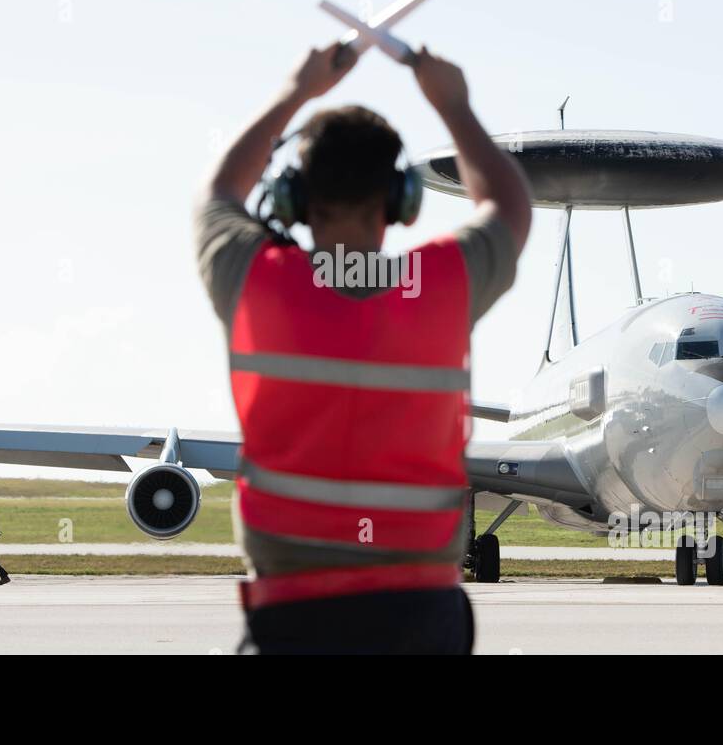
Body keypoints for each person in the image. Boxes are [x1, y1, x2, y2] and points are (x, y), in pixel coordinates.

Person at [195, 40, 531, 654]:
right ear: (403, 202)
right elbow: (508, 206)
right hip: (420, 612)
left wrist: (295, 92)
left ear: (295, 200)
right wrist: (454, 106)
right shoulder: (442, 284)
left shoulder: (253, 279)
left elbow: (220, 190)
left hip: (290, 612)